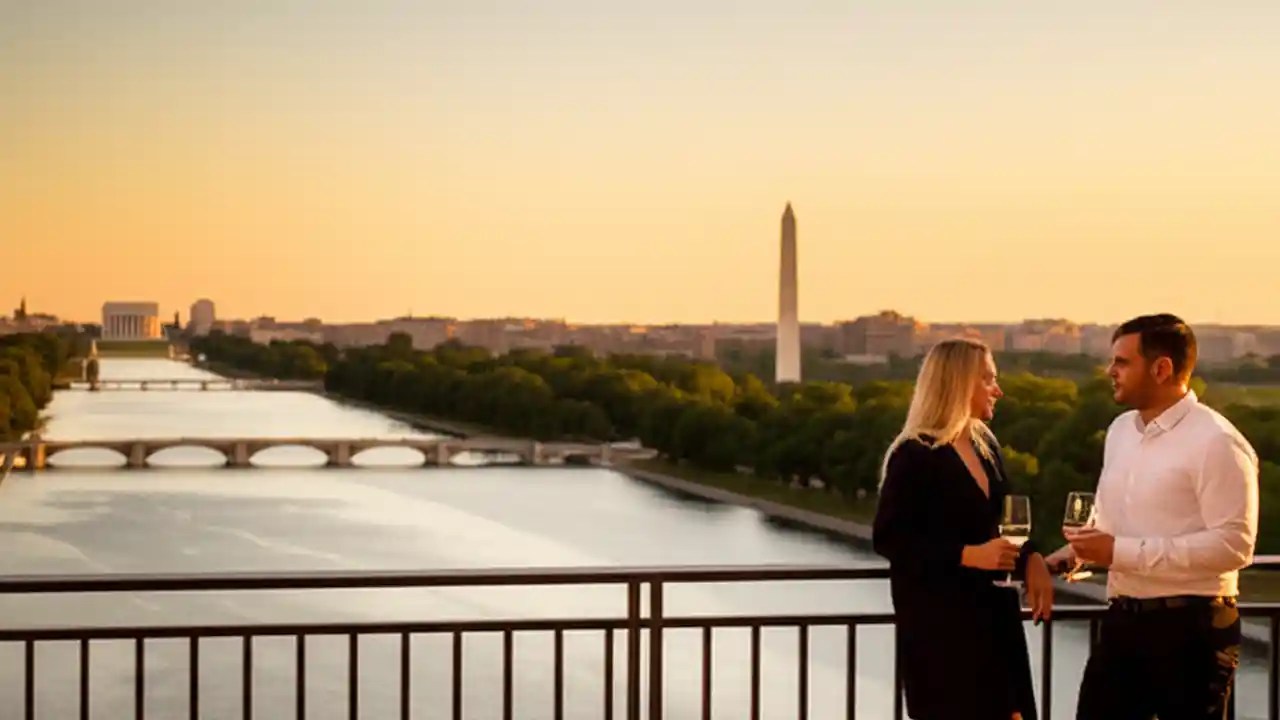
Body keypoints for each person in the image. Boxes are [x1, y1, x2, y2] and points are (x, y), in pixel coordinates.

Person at [1046, 314, 1259, 719]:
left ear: (1161, 369)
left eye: (1122, 362)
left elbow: (1235, 546)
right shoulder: (1120, 430)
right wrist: (1063, 559)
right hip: (1122, 627)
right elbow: (1108, 528)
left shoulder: (1217, 442)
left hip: (1192, 634)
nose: (1110, 371)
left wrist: (1120, 551)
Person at [874, 338, 1053, 720]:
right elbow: (890, 537)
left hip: (995, 626)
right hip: (943, 639)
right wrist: (968, 555)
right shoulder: (914, 454)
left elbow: (1004, 521)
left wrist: (1033, 556)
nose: (998, 390)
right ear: (958, 382)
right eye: (988, 379)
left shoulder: (984, 446)